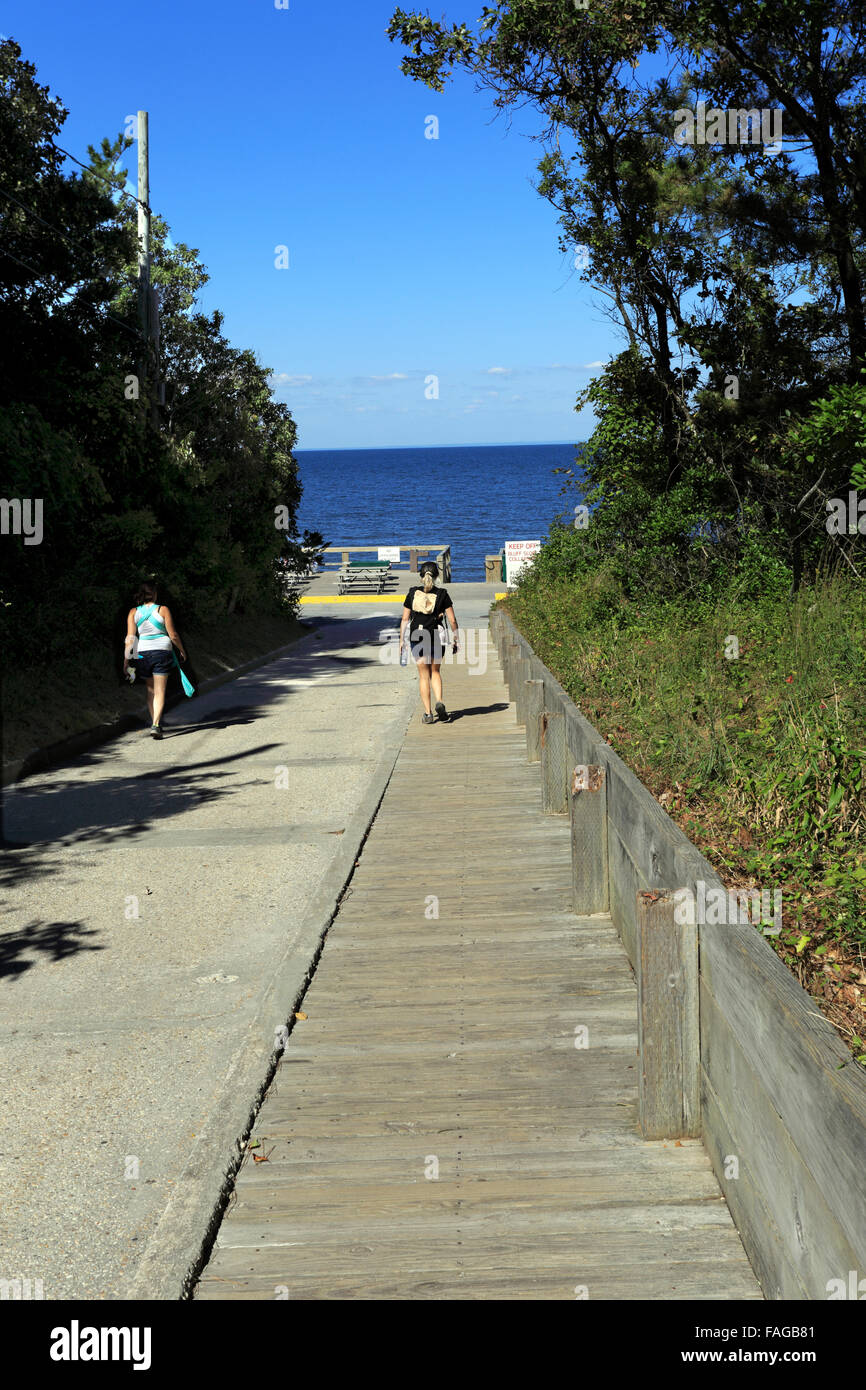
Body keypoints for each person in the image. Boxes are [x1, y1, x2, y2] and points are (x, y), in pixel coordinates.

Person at [123, 581, 187, 739]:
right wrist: (181, 650)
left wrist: (125, 661)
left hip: (143, 652)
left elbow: (130, 638)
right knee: (160, 691)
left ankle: (154, 722)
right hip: (161, 651)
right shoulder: (163, 609)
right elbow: (173, 635)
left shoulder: (133, 612)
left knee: (150, 690)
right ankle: (156, 724)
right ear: (155, 594)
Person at [400, 560, 459, 724]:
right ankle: (439, 701)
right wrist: (456, 639)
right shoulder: (442, 594)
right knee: (436, 673)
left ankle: (428, 713)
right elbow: (452, 620)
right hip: (436, 636)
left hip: (417, 636)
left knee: (424, 676)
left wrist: (401, 641)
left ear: (421, 576)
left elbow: (405, 619)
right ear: (437, 576)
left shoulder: (412, 593)